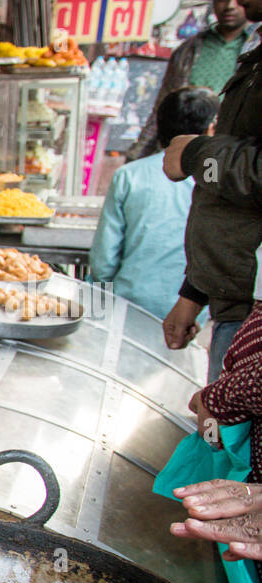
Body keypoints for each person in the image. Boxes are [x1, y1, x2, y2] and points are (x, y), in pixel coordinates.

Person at [163, 0, 262, 380]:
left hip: (251, 317)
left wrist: (196, 156)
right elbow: (235, 201)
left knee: (225, 438)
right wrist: (195, 292)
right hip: (235, 304)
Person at [91, 87, 219, 320]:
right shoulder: (215, 178)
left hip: (128, 304)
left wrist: (102, 295)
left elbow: (103, 262)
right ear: (210, 129)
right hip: (193, 311)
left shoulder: (129, 176)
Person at [127, 0, 250, 161]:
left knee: (209, 179)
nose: (229, 6)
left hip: (226, 154)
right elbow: (162, 107)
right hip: (182, 150)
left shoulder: (253, 51)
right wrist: (137, 156)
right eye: (223, 0)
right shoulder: (188, 50)